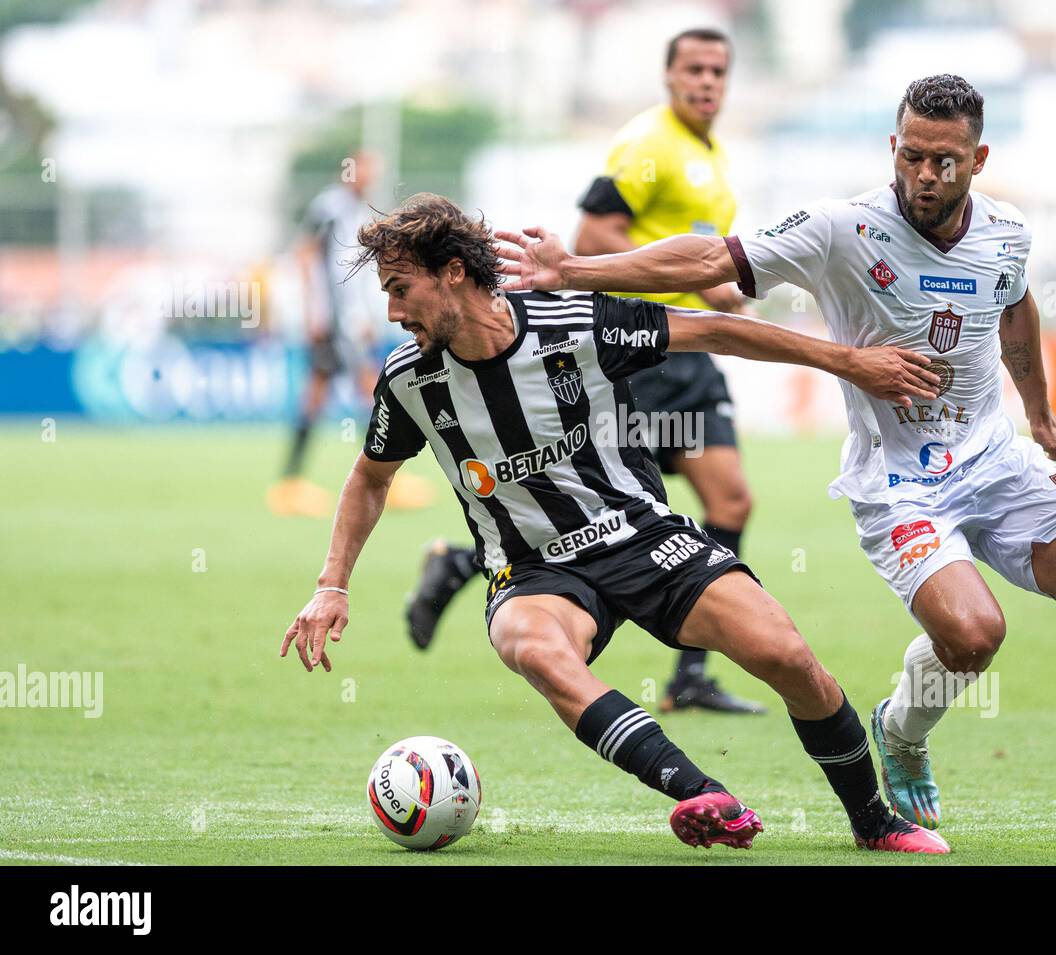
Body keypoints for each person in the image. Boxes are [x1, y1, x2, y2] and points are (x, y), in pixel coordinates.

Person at [495, 75, 1056, 854]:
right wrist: (574, 271)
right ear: (893, 145)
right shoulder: (843, 227)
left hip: (996, 458)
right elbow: (710, 262)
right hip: (900, 482)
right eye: (910, 154)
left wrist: (1042, 412)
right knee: (974, 635)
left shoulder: (1008, 231)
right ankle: (900, 728)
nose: (924, 172)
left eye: (943, 159)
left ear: (977, 161)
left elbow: (1014, 302)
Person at [279, 192, 949, 853]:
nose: (392, 313)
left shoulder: (573, 323)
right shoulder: (409, 380)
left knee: (788, 656)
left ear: (453, 271)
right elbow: (371, 476)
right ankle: (699, 792)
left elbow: (718, 330)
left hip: (640, 535)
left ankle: (874, 821)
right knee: (535, 648)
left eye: (401, 289)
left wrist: (849, 362)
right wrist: (331, 583)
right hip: (531, 570)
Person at [406, 30, 763, 717]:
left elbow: (695, 261)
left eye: (718, 70)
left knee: (730, 501)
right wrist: (687, 284)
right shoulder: (648, 145)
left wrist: (711, 290)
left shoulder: (711, 158)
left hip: (688, 355)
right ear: (668, 76)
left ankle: (690, 673)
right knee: (609, 504)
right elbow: (595, 232)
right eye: (693, 69)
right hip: (641, 350)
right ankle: (471, 560)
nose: (707, 81)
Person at [267, 150, 431, 516]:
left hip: (347, 321)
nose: (370, 177)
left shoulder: (356, 211)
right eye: (366, 170)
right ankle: (298, 483)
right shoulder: (330, 208)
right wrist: (315, 313)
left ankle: (303, 481)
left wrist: (363, 316)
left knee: (354, 391)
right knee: (361, 390)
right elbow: (307, 255)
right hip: (331, 322)